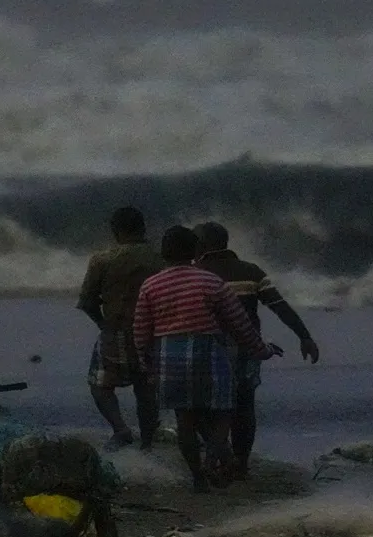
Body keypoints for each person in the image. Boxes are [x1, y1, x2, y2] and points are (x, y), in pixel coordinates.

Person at [132, 226, 281, 493]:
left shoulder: (151, 285)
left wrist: (146, 363)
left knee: (185, 419)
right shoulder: (211, 282)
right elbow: (239, 324)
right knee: (224, 409)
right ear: (194, 252)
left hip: (169, 355)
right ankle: (214, 454)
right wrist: (263, 350)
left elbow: (141, 330)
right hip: (208, 353)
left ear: (163, 253)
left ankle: (198, 478)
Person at [192, 221, 320, 480]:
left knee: (204, 406)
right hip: (246, 347)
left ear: (202, 246)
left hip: (206, 349)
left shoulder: (196, 273)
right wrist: (304, 336)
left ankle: (220, 455)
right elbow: (279, 306)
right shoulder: (251, 271)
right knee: (244, 406)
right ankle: (241, 463)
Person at [77, 206, 166, 451]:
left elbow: (87, 302)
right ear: (143, 228)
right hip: (154, 333)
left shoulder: (103, 260)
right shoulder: (161, 260)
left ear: (115, 230)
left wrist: (103, 323)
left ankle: (121, 429)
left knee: (100, 385)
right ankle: (147, 440)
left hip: (115, 330)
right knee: (146, 388)